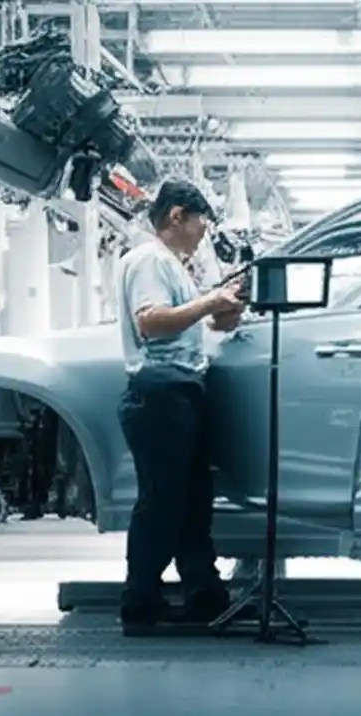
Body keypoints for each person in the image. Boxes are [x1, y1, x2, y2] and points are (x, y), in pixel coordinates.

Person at [115, 178, 248, 635]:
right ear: (177, 216)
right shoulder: (150, 260)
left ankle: (204, 596)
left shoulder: (175, 265)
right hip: (159, 395)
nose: (203, 234)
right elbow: (151, 323)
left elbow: (193, 321)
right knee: (162, 504)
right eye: (201, 224)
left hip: (181, 392)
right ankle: (140, 604)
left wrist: (223, 309)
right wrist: (209, 299)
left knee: (192, 502)